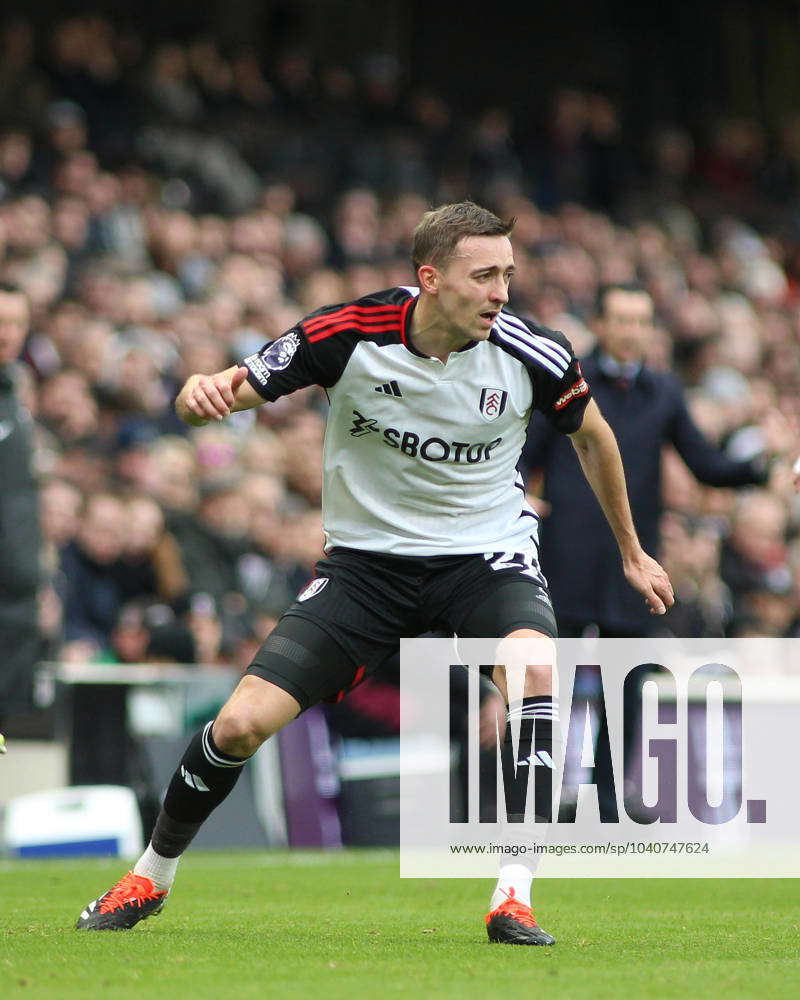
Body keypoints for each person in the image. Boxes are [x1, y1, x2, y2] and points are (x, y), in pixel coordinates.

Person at [75, 202, 673, 944]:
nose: (502, 292)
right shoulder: (346, 332)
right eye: (483, 275)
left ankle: (513, 896)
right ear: (430, 278)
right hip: (365, 570)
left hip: (482, 563)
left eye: (508, 275)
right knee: (236, 725)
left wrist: (632, 550)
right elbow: (224, 394)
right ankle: (148, 877)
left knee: (536, 674)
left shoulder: (533, 353)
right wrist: (199, 396)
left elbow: (595, 440)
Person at [521, 282, 782, 816]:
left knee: (630, 686)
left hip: (631, 561)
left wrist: (764, 465)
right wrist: (521, 500)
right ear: (600, 323)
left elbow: (705, 464)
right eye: (622, 319)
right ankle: (539, 797)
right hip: (565, 555)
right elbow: (527, 454)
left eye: (642, 320)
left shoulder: (663, 391)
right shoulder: (567, 379)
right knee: (553, 683)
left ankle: (608, 798)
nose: (633, 330)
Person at [0, 281, 42, 729]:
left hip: (16, 599)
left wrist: (38, 575)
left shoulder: (15, 392)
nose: (8, 333)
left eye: (17, 323)